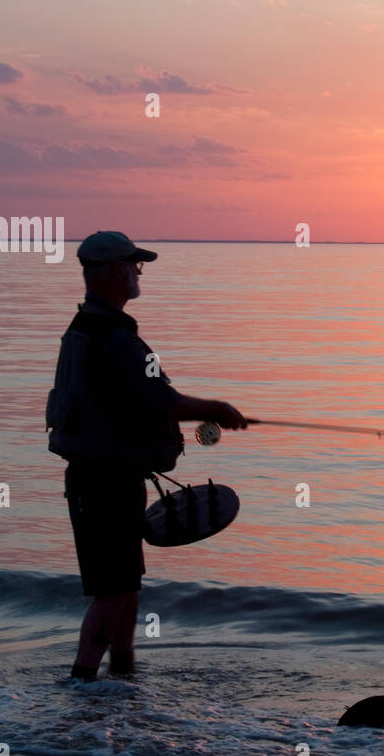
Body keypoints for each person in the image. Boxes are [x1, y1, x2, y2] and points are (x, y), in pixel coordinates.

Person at [45, 230, 247, 680]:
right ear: (117, 270)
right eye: (135, 265)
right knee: (113, 590)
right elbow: (160, 401)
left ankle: (122, 677)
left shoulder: (86, 331)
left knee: (125, 585)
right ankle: (82, 687)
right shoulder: (111, 338)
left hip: (106, 478)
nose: (139, 272)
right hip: (104, 483)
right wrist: (215, 409)